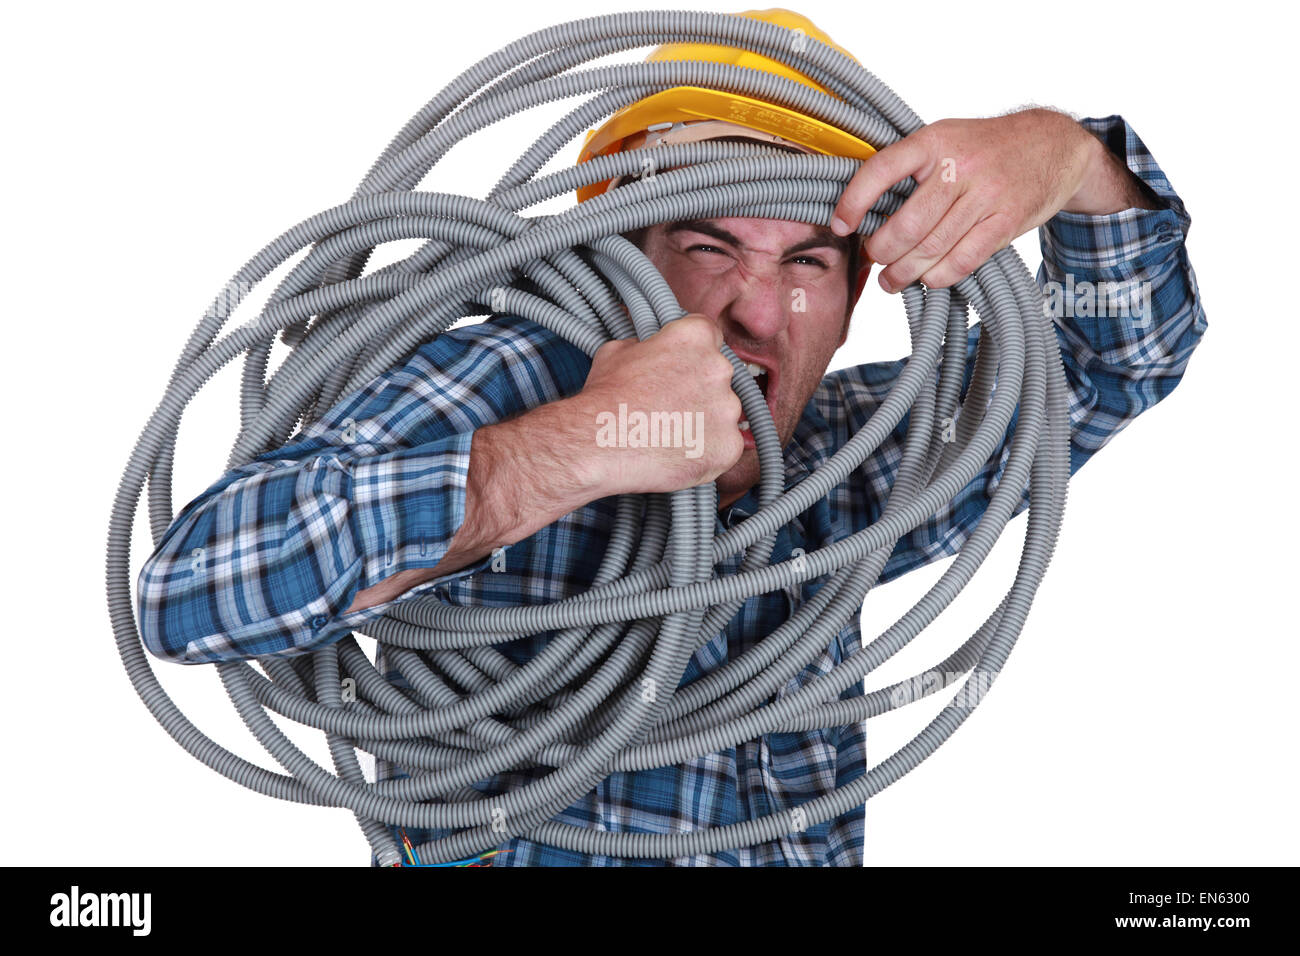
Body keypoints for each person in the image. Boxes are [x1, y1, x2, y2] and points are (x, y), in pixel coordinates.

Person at [134, 9, 1207, 866]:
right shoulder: (514, 373)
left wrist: (1069, 161)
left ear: (852, 301)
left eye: (806, 264)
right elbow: (189, 591)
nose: (754, 307)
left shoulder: (840, 458)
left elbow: (1114, 364)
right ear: (628, 245)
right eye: (708, 242)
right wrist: (581, 445)